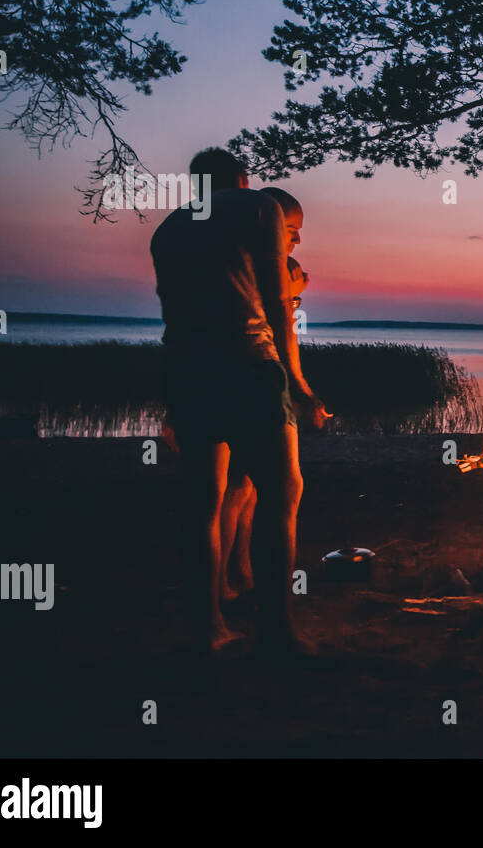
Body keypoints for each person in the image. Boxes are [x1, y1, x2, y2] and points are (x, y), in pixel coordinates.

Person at [150, 147, 329, 656]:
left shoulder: (168, 229)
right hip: (247, 365)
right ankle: (278, 631)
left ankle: (207, 629)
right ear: (243, 181)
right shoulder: (257, 209)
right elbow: (275, 302)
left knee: (202, 501)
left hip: (184, 368)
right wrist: (297, 381)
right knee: (282, 491)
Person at [218, 188, 313, 604]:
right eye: (290, 229)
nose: (295, 238)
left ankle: (241, 570)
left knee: (249, 489)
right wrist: (298, 385)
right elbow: (276, 317)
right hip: (252, 374)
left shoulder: (251, 262)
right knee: (240, 487)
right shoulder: (258, 266)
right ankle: (225, 583)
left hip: (240, 373)